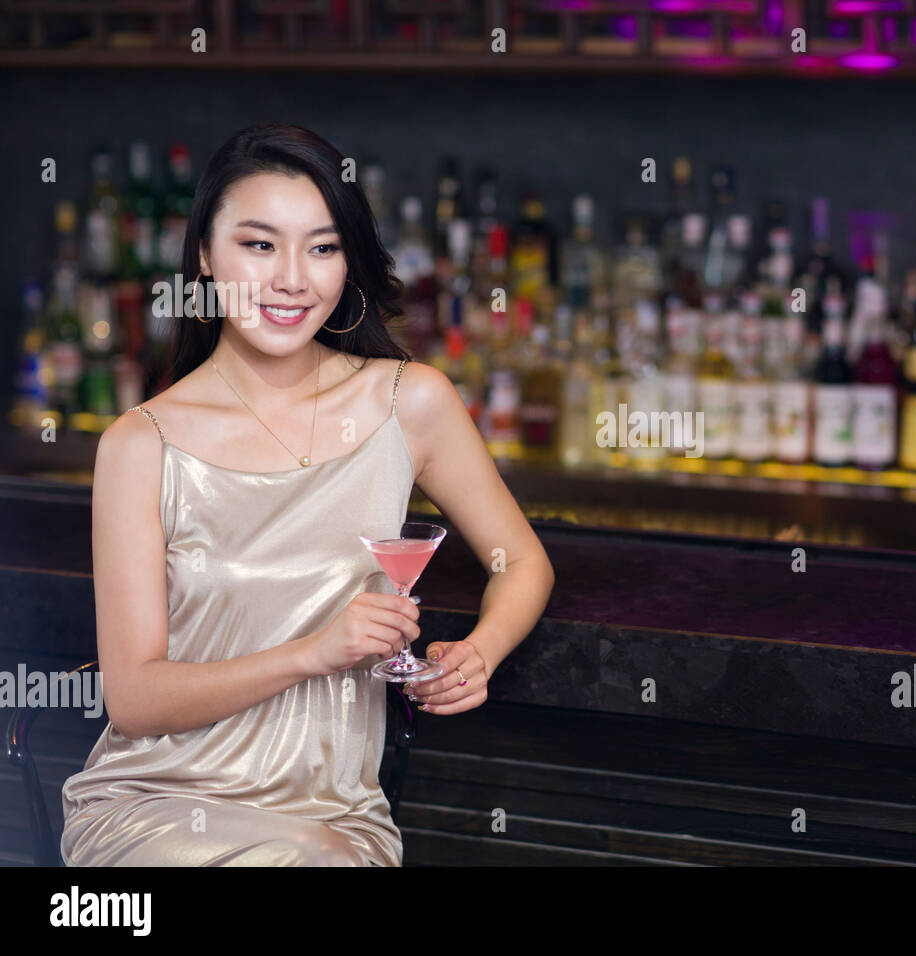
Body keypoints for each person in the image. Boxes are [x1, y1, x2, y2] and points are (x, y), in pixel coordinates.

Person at [60, 123, 555, 866]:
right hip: (157, 809)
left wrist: (478, 653)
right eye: (259, 245)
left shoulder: (406, 401)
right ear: (203, 254)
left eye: (322, 248)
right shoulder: (142, 444)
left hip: (334, 817)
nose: (293, 278)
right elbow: (134, 699)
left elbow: (520, 559)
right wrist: (314, 652)